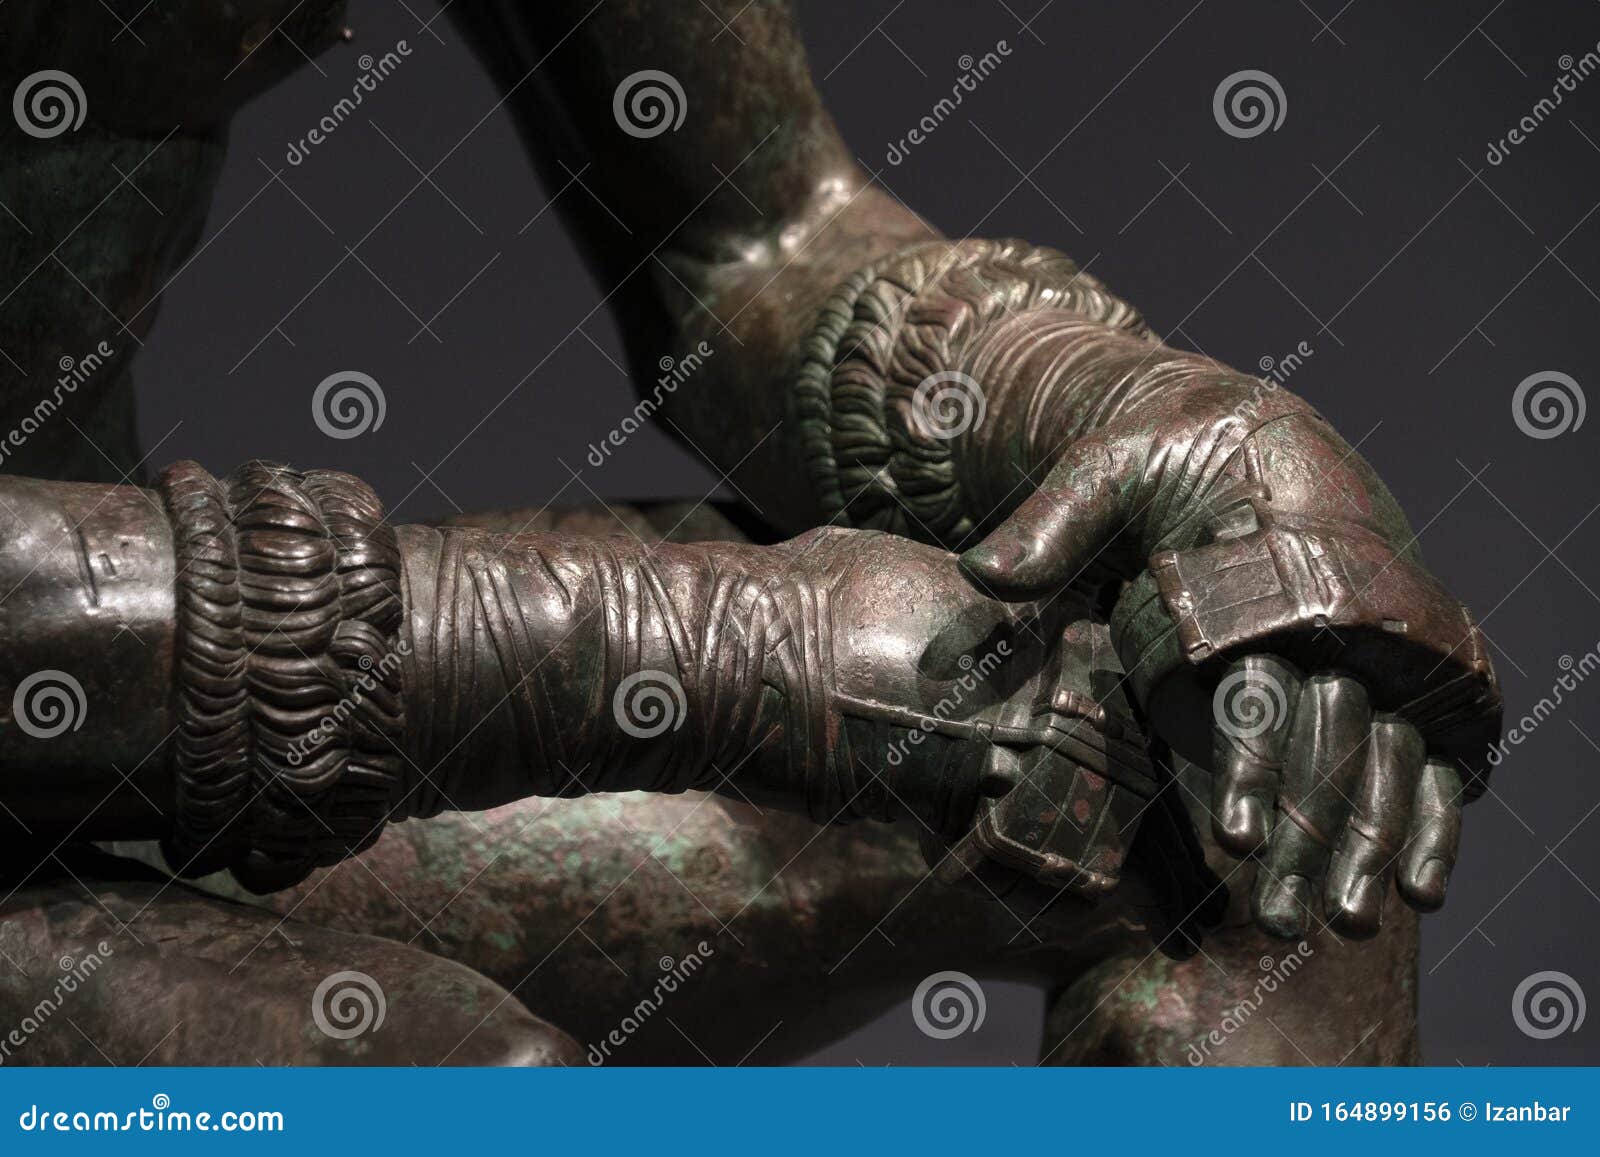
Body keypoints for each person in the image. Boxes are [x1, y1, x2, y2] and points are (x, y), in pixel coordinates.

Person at [0, 1, 1499, 1064]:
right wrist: (719, 654)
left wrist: (1146, 411)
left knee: (1255, 805)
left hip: (147, 775)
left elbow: (757, 232)